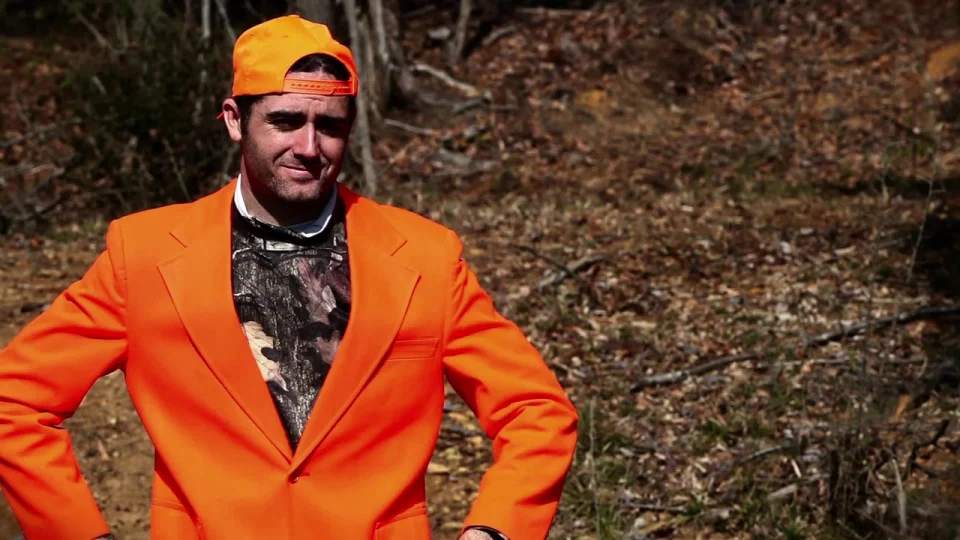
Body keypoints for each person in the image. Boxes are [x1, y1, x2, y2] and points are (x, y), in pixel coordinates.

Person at [0, 14, 578, 540]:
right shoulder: (145, 256)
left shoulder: (426, 258)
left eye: (329, 125)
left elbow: (537, 411)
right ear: (235, 120)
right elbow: (14, 402)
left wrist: (496, 531)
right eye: (285, 121)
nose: (308, 147)